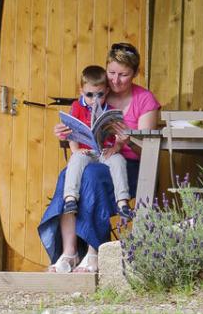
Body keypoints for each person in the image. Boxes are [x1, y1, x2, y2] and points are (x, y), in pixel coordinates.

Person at [38, 41, 160, 273]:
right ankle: (69, 251)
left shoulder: (145, 100)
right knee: (68, 175)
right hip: (94, 159)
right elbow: (79, 127)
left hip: (128, 168)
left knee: (92, 175)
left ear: (135, 73)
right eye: (111, 73)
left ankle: (94, 252)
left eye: (123, 75)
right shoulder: (99, 93)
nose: (115, 80)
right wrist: (64, 133)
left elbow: (148, 152)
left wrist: (128, 139)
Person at [61, 64, 131, 216]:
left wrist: (117, 147)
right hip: (85, 151)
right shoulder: (76, 106)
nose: (95, 100)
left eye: (100, 95)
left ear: (106, 91)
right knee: (75, 160)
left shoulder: (110, 110)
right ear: (81, 91)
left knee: (119, 160)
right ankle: (70, 198)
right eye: (89, 95)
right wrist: (75, 149)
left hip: (105, 151)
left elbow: (119, 135)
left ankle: (122, 202)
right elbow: (71, 130)